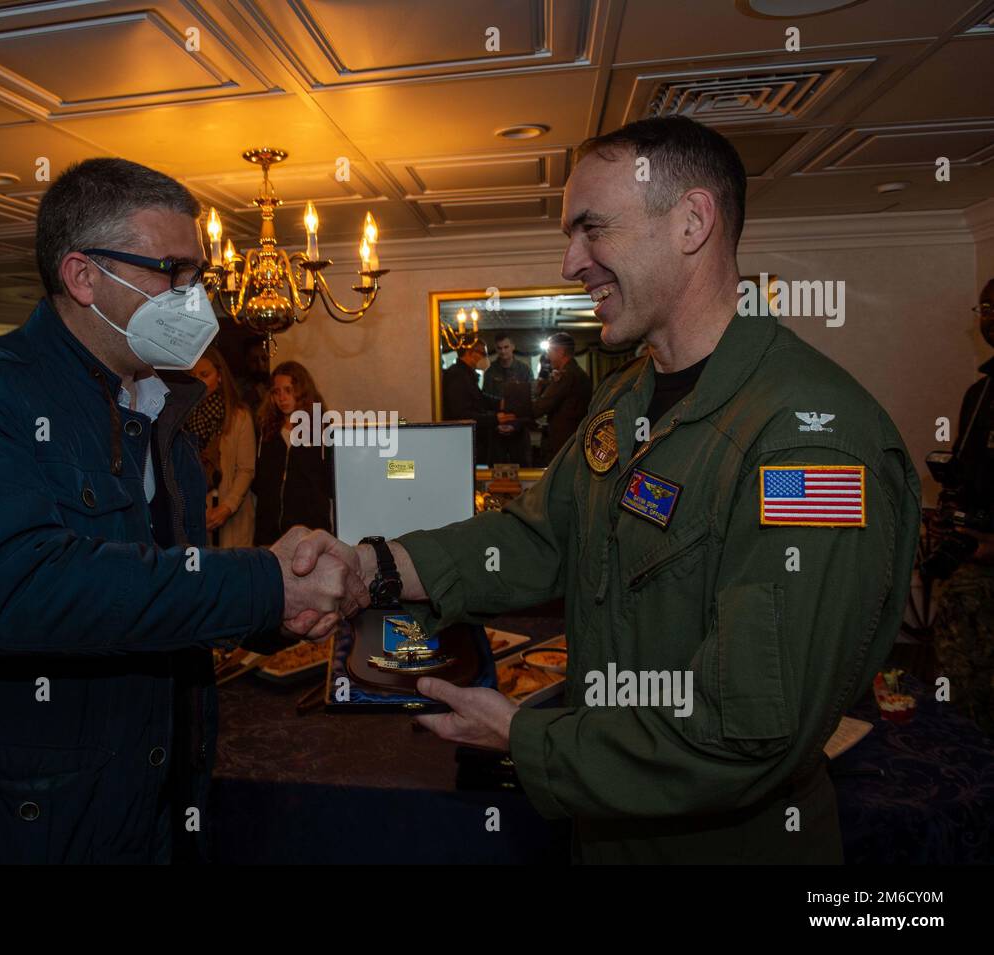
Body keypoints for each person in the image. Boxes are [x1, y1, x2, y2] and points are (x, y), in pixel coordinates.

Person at [295, 115, 921, 863]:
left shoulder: (812, 441)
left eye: (594, 230)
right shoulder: (623, 401)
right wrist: (374, 565)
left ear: (692, 222)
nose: (570, 262)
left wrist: (526, 737)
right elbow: (535, 538)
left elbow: (750, 729)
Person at [0, 158, 366, 864]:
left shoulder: (164, 415)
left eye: (200, 278)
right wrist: (262, 582)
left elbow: (165, 589)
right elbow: (25, 593)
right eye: (172, 272)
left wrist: (281, 613)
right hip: (3, 822)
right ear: (83, 277)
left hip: (142, 807)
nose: (196, 300)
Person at [931, 277, 994, 736]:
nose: (988, 319)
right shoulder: (980, 394)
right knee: (958, 674)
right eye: (984, 309)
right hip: (969, 566)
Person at [252, 361, 334, 545]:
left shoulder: (320, 429)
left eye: (288, 390)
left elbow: (329, 482)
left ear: (301, 391)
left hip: (310, 532)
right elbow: (258, 481)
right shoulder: (266, 431)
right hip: (269, 533)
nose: (282, 397)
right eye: (276, 391)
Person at [187, 345, 256, 547]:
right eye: (193, 375)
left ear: (219, 376)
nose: (198, 380)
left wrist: (227, 507)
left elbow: (246, 469)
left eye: (204, 374)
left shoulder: (238, 416)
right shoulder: (184, 417)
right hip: (199, 512)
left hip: (232, 510)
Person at [441, 339, 514, 462]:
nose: (486, 358)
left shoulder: (466, 374)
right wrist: (495, 419)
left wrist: (500, 403)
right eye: (483, 354)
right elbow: (461, 414)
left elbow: (479, 398)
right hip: (461, 440)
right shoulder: (457, 375)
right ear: (470, 352)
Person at [532, 331, 592, 464]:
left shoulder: (566, 376)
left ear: (560, 351)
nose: (548, 356)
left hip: (562, 443)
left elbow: (540, 407)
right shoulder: (578, 373)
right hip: (573, 440)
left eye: (550, 351)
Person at [482, 332, 532, 465]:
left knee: (523, 471)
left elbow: (528, 402)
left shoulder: (524, 370)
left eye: (506, 347)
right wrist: (497, 424)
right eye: (499, 348)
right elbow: (485, 402)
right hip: (496, 429)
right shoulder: (490, 371)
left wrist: (515, 425)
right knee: (496, 472)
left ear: (512, 347)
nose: (503, 351)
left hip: (519, 429)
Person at [237, 335, 271, 413]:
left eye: (264, 358)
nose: (260, 364)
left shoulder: (277, 384)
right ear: (247, 361)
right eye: (254, 360)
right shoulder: (237, 386)